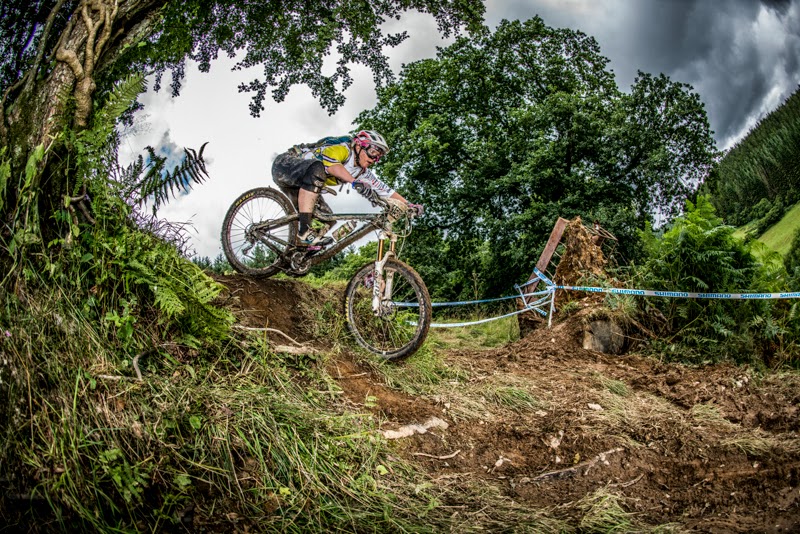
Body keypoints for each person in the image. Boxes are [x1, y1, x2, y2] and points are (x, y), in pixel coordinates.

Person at [272, 130, 421, 247]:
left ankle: (300, 253)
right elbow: (331, 166)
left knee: (327, 219)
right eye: (373, 153)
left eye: (378, 157)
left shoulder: (362, 172)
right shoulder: (343, 149)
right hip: (285, 165)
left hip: (302, 187)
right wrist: (354, 182)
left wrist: (409, 205)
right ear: (359, 145)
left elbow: (386, 191)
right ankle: (304, 231)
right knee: (317, 168)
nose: (374, 159)